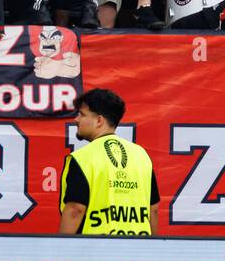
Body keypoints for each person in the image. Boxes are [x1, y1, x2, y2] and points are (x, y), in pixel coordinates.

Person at [58, 88, 159, 236]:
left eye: (81, 114)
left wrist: (60, 250)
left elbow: (75, 210)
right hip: (137, 252)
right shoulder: (141, 155)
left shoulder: (83, 158)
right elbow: (153, 209)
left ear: (99, 120)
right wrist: (153, 250)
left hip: (95, 252)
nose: (76, 119)